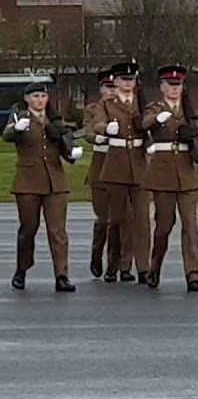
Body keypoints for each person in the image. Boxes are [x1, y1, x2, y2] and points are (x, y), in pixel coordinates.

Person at [3, 81, 82, 291]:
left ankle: (62, 275)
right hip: (28, 181)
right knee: (28, 229)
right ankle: (21, 269)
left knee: (58, 232)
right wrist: (15, 129)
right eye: (35, 96)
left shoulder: (55, 120)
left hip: (55, 181)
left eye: (43, 96)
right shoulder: (20, 117)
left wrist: (72, 153)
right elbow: (7, 136)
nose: (40, 100)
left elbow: (64, 144)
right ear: (27, 99)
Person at [140, 64, 198, 291]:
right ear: (162, 87)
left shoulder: (189, 111)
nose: (174, 89)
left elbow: (197, 131)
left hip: (186, 173)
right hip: (163, 173)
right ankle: (155, 267)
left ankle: (193, 274)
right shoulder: (155, 107)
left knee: (190, 225)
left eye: (178, 85)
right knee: (164, 225)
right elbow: (145, 123)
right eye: (170, 85)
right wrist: (158, 119)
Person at [91, 60, 151, 284]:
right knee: (116, 220)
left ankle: (142, 267)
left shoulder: (144, 104)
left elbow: (150, 123)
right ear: (115, 82)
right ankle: (114, 265)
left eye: (131, 80)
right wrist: (105, 129)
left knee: (142, 221)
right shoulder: (107, 104)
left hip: (139, 164)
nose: (128, 84)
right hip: (115, 165)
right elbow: (97, 123)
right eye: (124, 80)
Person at [85, 69, 117, 279]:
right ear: (101, 88)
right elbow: (87, 130)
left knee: (123, 220)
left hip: (124, 167)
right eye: (108, 87)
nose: (111, 91)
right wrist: (96, 138)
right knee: (104, 219)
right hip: (101, 167)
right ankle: (97, 254)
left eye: (114, 87)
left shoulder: (128, 106)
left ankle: (118, 265)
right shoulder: (93, 109)